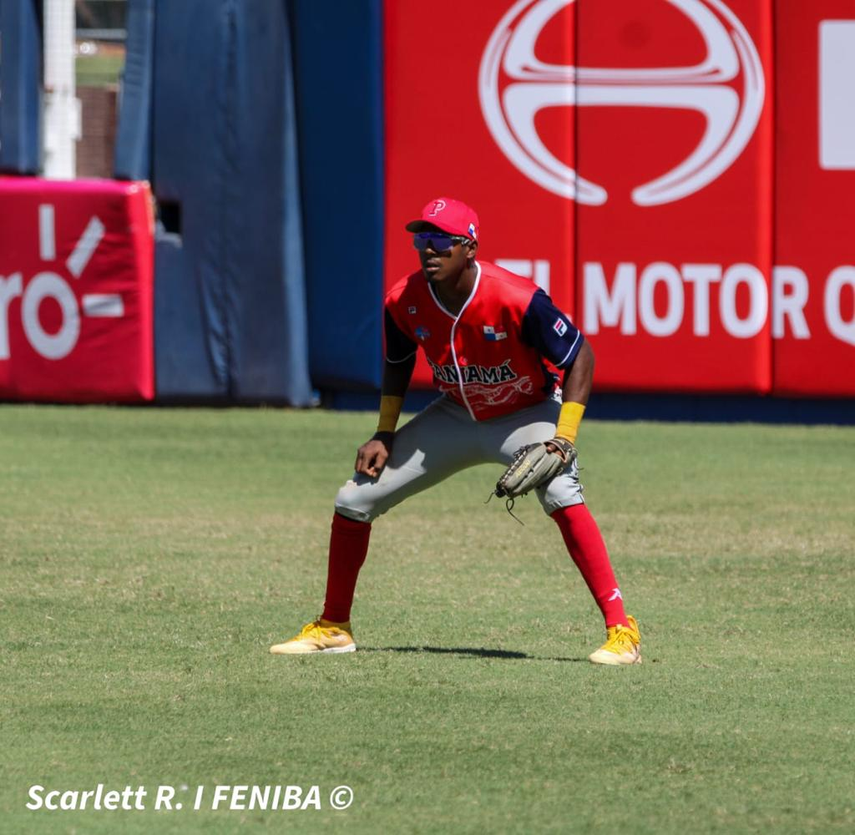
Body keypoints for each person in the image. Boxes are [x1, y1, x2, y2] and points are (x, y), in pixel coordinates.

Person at [270, 197, 641, 665]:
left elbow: (580, 355)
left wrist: (563, 437)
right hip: (457, 415)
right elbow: (398, 361)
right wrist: (384, 433)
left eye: (441, 241)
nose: (429, 249)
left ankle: (622, 631)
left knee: (561, 492)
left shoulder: (516, 297)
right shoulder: (403, 300)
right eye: (422, 240)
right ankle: (334, 627)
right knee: (354, 499)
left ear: (469, 248)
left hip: (525, 414)